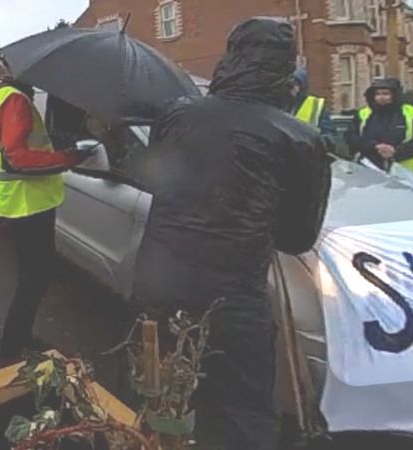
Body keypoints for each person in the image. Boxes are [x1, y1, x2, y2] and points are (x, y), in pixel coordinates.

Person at [132, 18, 332, 450]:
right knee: (246, 408)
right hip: (234, 295)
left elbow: (156, 180)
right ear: (285, 69)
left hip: (160, 280)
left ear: (231, 56)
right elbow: (297, 238)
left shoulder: (177, 114)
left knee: (161, 392)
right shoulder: (301, 137)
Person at [0, 77, 87, 361]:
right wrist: (66, 158)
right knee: (34, 280)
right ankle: (10, 350)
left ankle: (19, 338)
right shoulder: (16, 99)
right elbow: (17, 158)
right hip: (26, 204)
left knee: (32, 278)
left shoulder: (11, 96)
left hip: (25, 202)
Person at [346, 78, 413, 175]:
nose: (381, 97)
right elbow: (351, 138)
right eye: (377, 94)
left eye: (386, 94)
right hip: (369, 171)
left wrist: (396, 151)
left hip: (405, 172)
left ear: (395, 95)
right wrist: (375, 147)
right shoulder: (362, 114)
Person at [292, 67, 336, 138]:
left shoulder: (316, 104)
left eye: (296, 84)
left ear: (302, 85)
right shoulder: (279, 103)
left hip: (310, 147)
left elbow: (329, 135)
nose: (292, 88)